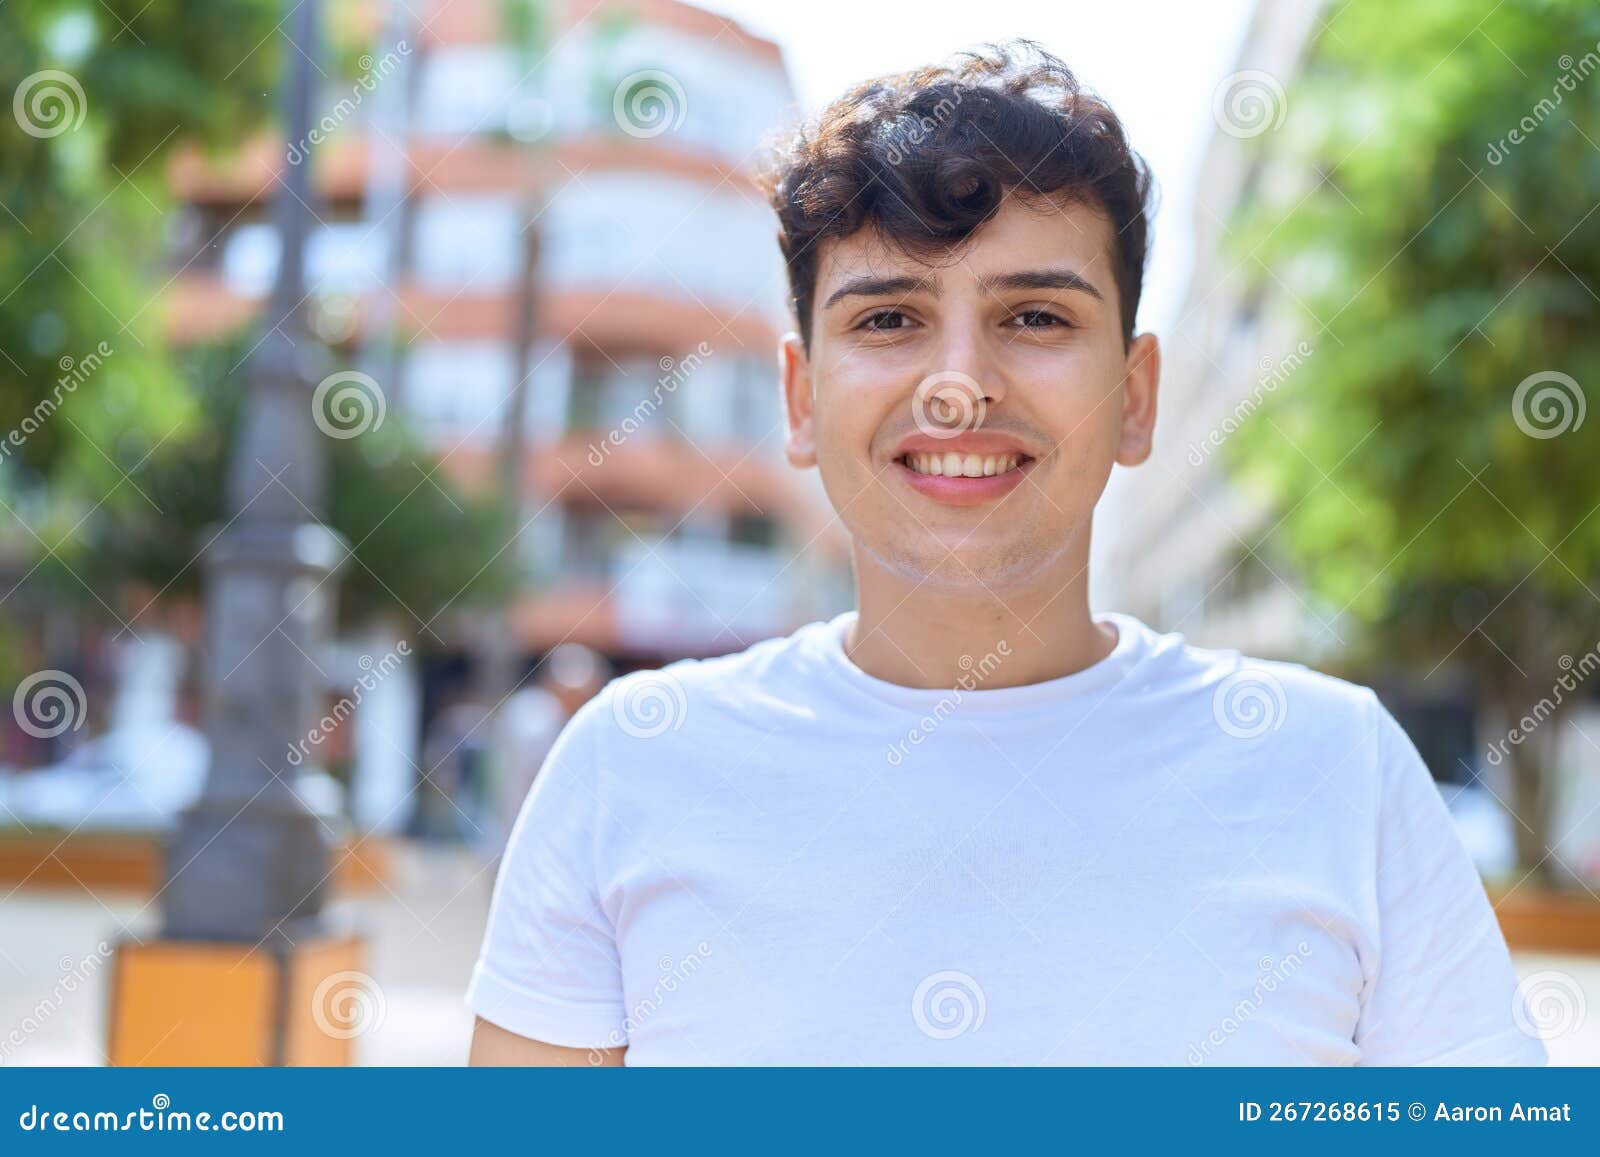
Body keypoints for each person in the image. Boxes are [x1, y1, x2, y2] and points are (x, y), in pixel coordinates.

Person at [467, 41, 1545, 1066]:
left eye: (1033, 316)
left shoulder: (1337, 772)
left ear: (1135, 396)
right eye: (888, 320)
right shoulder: (630, 770)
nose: (958, 386)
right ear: (800, 398)